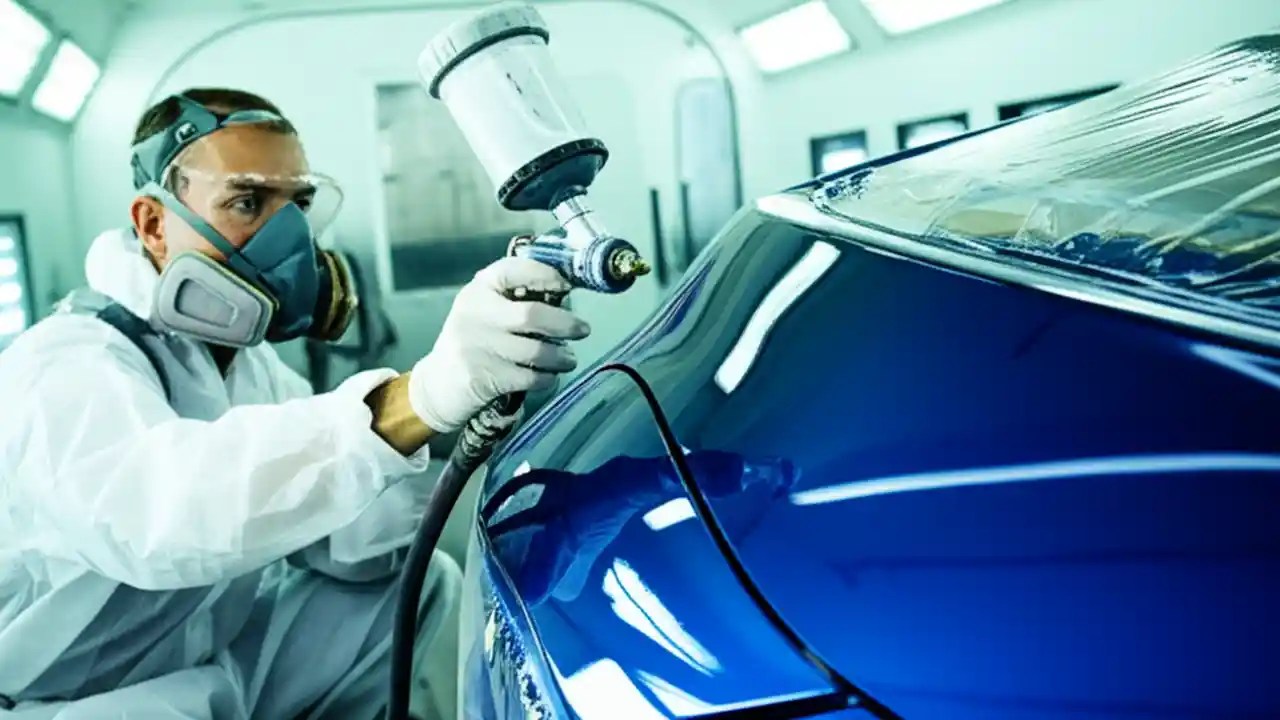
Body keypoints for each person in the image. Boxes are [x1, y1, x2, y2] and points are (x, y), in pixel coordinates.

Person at [0, 88, 590, 719]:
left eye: (298, 204)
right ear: (154, 225)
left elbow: (345, 536)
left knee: (415, 586)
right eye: (247, 203)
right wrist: (420, 395)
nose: (289, 238)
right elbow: (165, 515)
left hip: (195, 668)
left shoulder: (245, 364)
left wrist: (467, 438)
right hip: (58, 702)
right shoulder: (66, 359)